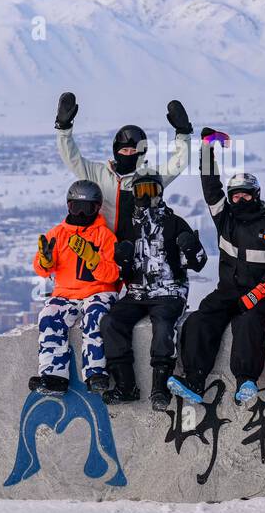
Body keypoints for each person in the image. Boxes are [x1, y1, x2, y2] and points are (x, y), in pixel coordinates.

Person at [169, 129, 265, 406]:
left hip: (261, 294)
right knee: (199, 319)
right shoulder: (225, 218)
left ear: (256, 195)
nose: (240, 200)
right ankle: (194, 380)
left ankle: (246, 380)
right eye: (235, 196)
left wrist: (259, 291)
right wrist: (206, 150)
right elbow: (210, 187)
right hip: (227, 290)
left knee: (248, 323)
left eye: (246, 196)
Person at [100, 171, 207, 408]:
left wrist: (191, 247)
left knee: (163, 323)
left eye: (152, 190)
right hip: (137, 293)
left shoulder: (174, 222)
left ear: (161, 192)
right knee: (110, 322)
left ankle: (160, 387)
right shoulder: (127, 226)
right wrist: (123, 260)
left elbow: (198, 263)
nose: (146, 197)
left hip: (169, 290)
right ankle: (125, 385)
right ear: (134, 194)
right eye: (141, 191)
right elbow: (121, 272)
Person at [54, 91, 192, 243]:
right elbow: (72, 158)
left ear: (141, 154)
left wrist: (183, 134)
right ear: (116, 151)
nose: (129, 154)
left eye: (133, 151)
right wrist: (63, 129)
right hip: (104, 247)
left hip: (138, 249)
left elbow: (179, 163)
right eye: (125, 150)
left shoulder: (149, 178)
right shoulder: (99, 173)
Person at [30, 179, 122, 395]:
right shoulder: (57, 234)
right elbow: (41, 270)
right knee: (48, 316)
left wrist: (94, 260)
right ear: (68, 206)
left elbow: (114, 273)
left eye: (87, 208)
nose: (81, 214)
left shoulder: (105, 236)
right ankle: (53, 376)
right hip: (65, 294)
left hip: (99, 291)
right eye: (76, 208)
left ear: (97, 208)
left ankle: (96, 373)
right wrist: (45, 261)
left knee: (95, 316)